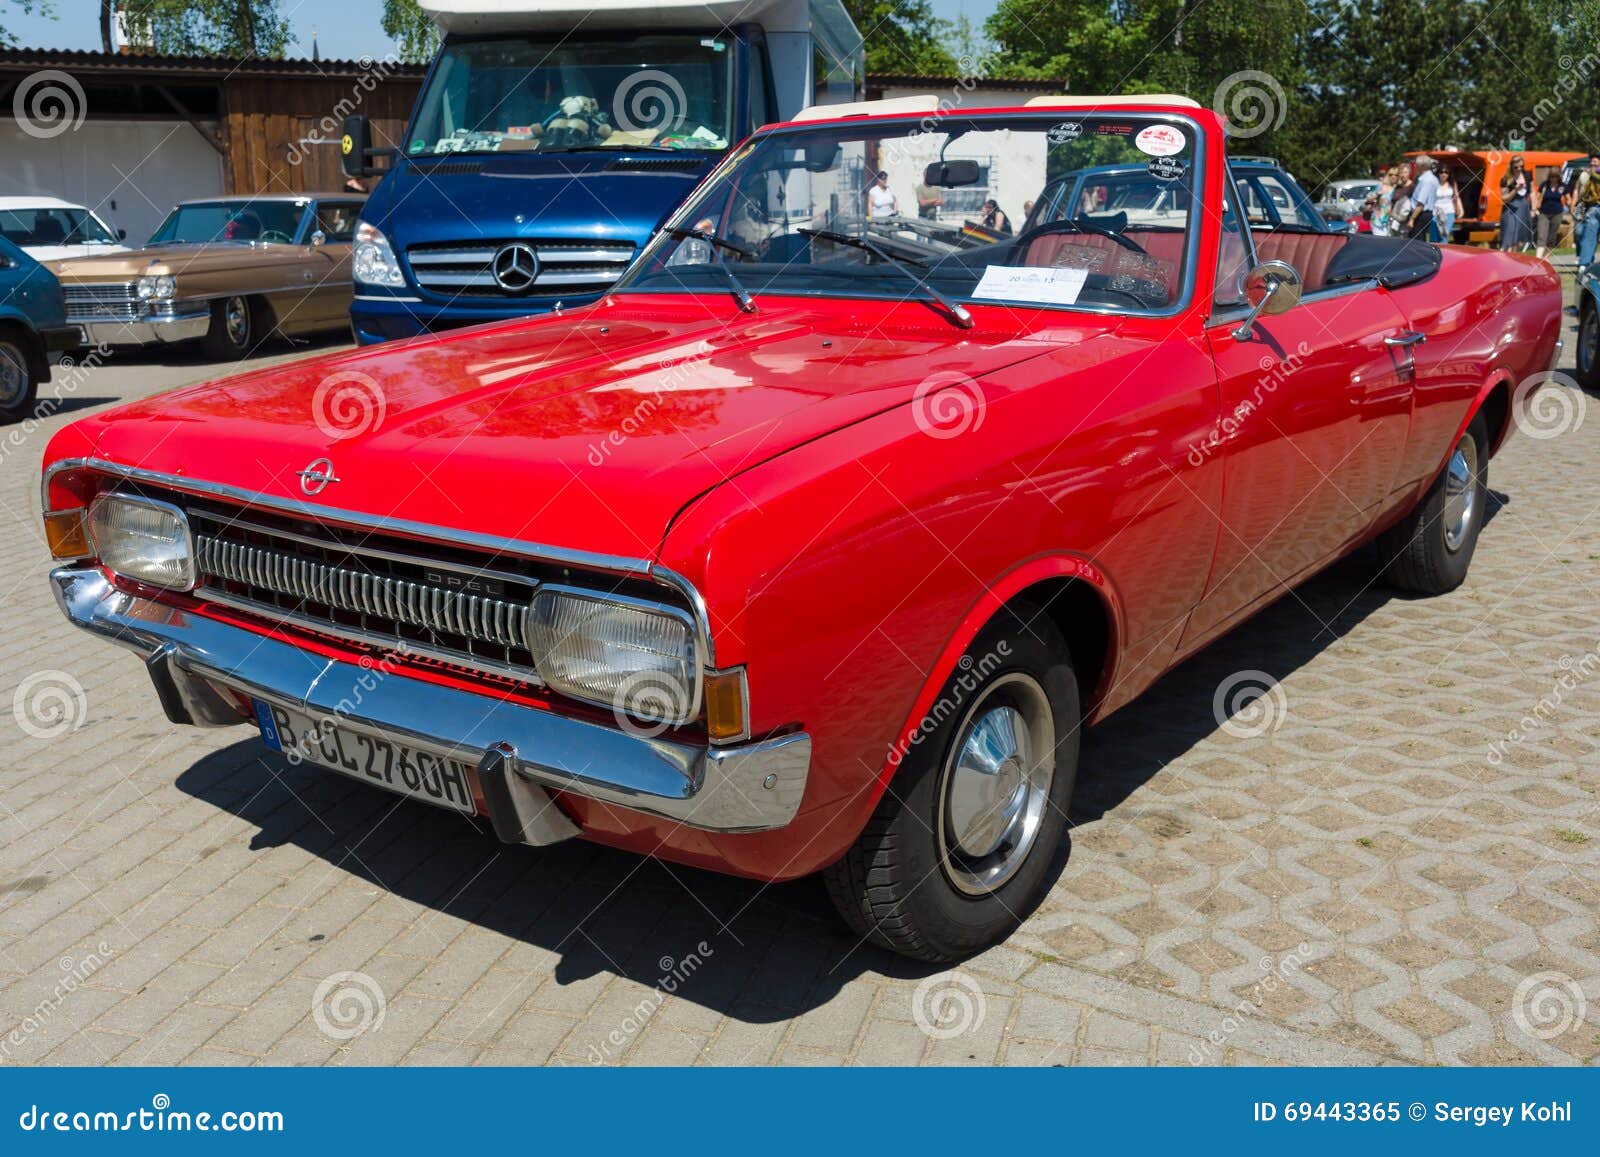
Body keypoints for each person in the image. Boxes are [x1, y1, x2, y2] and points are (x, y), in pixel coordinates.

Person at [1569, 154, 1600, 269]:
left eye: (1595, 162)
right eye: (1591, 162)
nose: (1592, 164)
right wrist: (1573, 203)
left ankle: (1585, 263)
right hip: (1586, 207)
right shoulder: (1585, 175)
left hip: (1594, 208)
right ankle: (1585, 262)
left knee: (1589, 235)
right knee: (1581, 232)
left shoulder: (1593, 173)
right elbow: (1577, 189)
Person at [1499, 155, 1534, 252]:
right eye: (1516, 167)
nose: (1519, 169)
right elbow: (1504, 199)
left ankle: (1513, 260)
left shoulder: (1528, 175)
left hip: (1524, 208)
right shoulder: (1506, 179)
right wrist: (1515, 190)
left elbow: (1532, 192)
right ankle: (1504, 258)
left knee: (1519, 239)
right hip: (1511, 209)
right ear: (1511, 167)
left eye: (1521, 166)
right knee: (1509, 237)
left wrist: (1534, 209)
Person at [1535, 166, 1568, 260]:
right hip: (1543, 213)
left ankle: (1546, 258)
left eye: (1556, 177)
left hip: (1557, 213)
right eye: (1552, 176)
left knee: (1552, 238)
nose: (1554, 179)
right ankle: (1538, 258)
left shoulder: (1563, 186)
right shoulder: (1544, 185)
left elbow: (1568, 198)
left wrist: (1572, 207)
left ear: (1559, 177)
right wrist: (1535, 208)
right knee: (1542, 235)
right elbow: (1537, 197)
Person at [1407, 155, 1439, 240]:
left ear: (1421, 166)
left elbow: (1421, 203)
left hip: (1420, 215)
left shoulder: (1426, 180)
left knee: (1416, 242)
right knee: (1419, 240)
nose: (1415, 167)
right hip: (1424, 214)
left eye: (1416, 165)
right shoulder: (1432, 178)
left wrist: (1412, 219)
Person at [1433, 166, 1462, 243]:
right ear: (1438, 174)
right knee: (1435, 236)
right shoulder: (1434, 184)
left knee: (1444, 235)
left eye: (1446, 172)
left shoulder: (1452, 184)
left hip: (1449, 212)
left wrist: (1458, 209)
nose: (1444, 174)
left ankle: (1444, 253)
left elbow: (1456, 198)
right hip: (1436, 213)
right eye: (1441, 172)